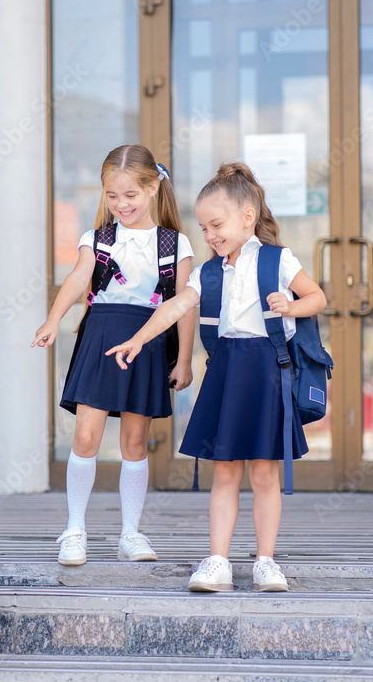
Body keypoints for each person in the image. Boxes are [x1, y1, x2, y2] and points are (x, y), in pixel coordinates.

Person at [107, 162, 327, 593]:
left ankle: (265, 561)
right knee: (224, 472)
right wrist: (138, 339)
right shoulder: (209, 272)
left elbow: (316, 296)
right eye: (204, 227)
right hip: (226, 371)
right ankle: (218, 561)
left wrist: (290, 306)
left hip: (266, 374)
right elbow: (174, 307)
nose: (209, 235)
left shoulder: (278, 260)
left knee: (264, 474)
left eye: (216, 224)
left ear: (248, 216)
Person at [32, 144, 195, 565]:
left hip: (149, 338)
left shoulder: (175, 244)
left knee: (136, 441)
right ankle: (74, 529)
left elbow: (184, 304)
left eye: (131, 196)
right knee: (86, 434)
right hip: (102, 334)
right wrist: (53, 319)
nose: (121, 205)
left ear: (154, 188)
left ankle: (130, 533)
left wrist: (184, 360)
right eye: (112, 196)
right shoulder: (98, 239)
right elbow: (77, 279)